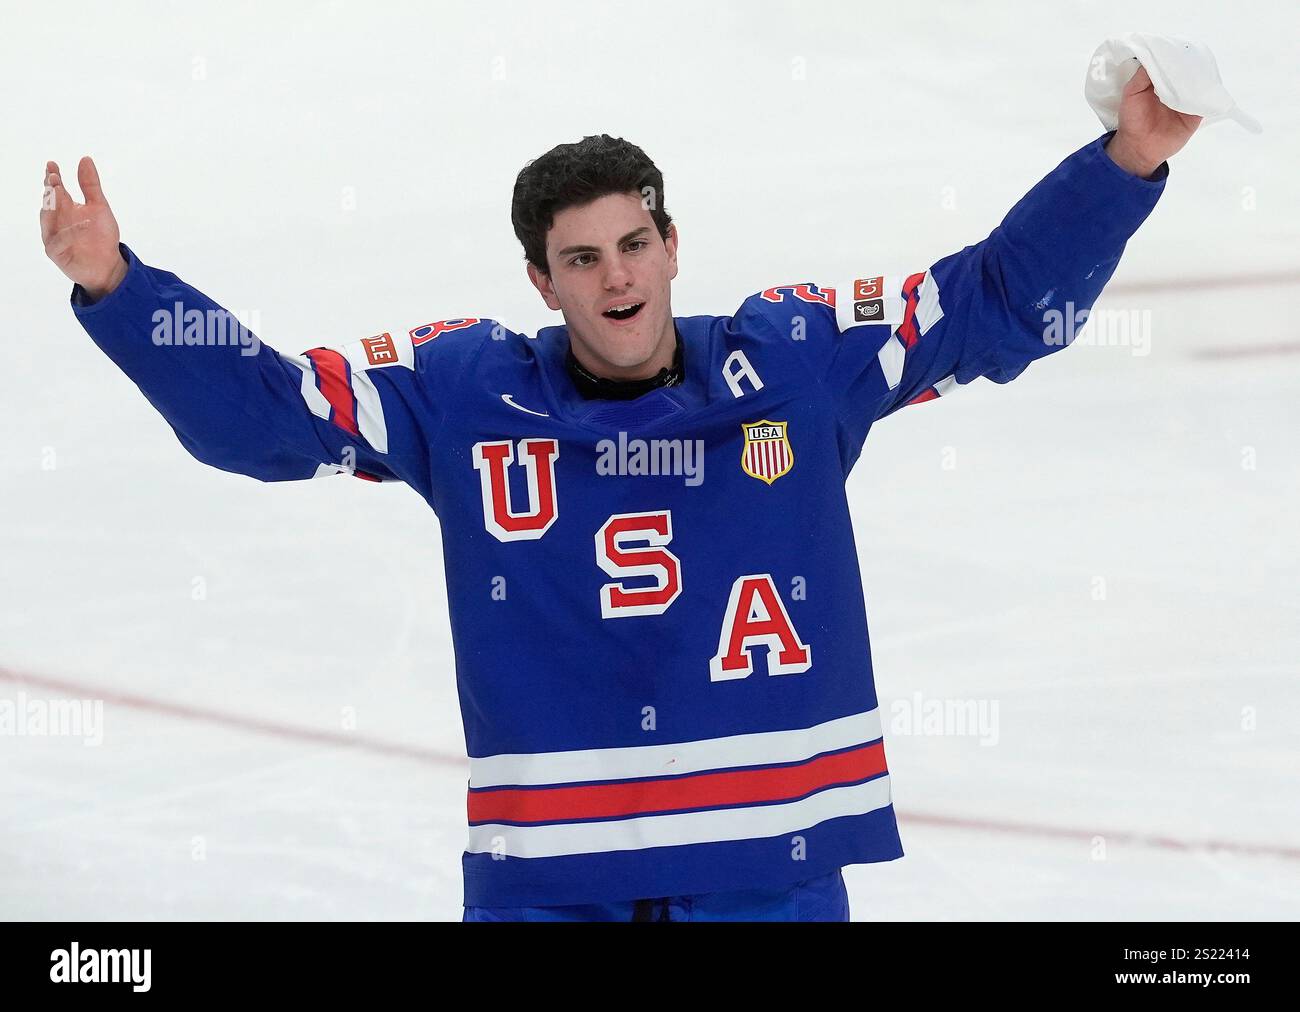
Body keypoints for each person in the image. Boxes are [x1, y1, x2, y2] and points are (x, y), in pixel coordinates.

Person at [41, 67, 1199, 922]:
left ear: (673, 245)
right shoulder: (465, 393)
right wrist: (119, 286)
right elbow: (269, 418)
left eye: (634, 243)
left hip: (766, 869)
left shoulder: (791, 363)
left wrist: (1127, 161)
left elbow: (993, 303)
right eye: (583, 259)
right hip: (557, 880)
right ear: (540, 281)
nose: (618, 275)